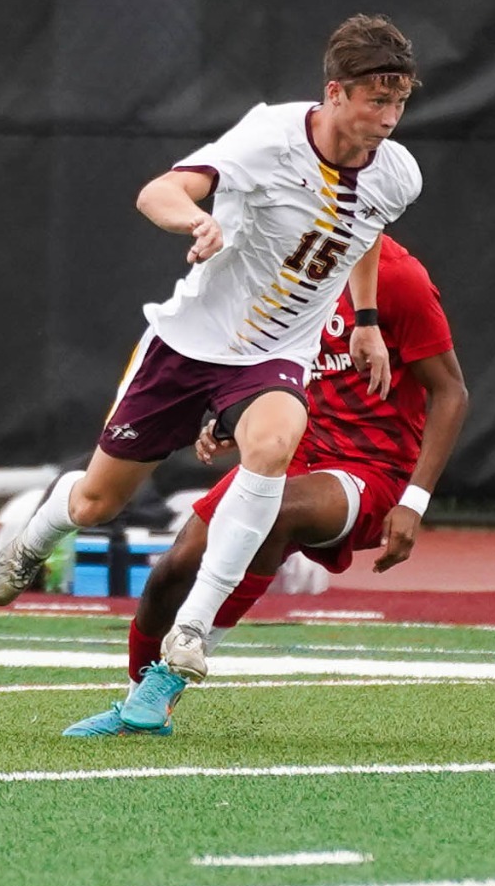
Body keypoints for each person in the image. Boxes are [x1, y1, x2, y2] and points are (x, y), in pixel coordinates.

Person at [0, 15, 424, 685]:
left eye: (400, 101)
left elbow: (363, 229)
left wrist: (365, 319)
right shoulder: (270, 137)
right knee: (99, 502)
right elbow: (158, 191)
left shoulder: (398, 174)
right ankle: (40, 535)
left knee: (274, 448)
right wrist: (196, 219)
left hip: (272, 356)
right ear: (335, 94)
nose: (390, 116)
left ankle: (194, 626)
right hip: (187, 345)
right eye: (377, 100)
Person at [62, 235, 468, 735]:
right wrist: (233, 423)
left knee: (274, 513)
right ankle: (136, 707)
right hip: (291, 452)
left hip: (371, 471)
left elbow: (451, 391)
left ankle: (170, 676)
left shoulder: (399, 278)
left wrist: (415, 501)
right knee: (178, 563)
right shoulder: (285, 265)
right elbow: (268, 367)